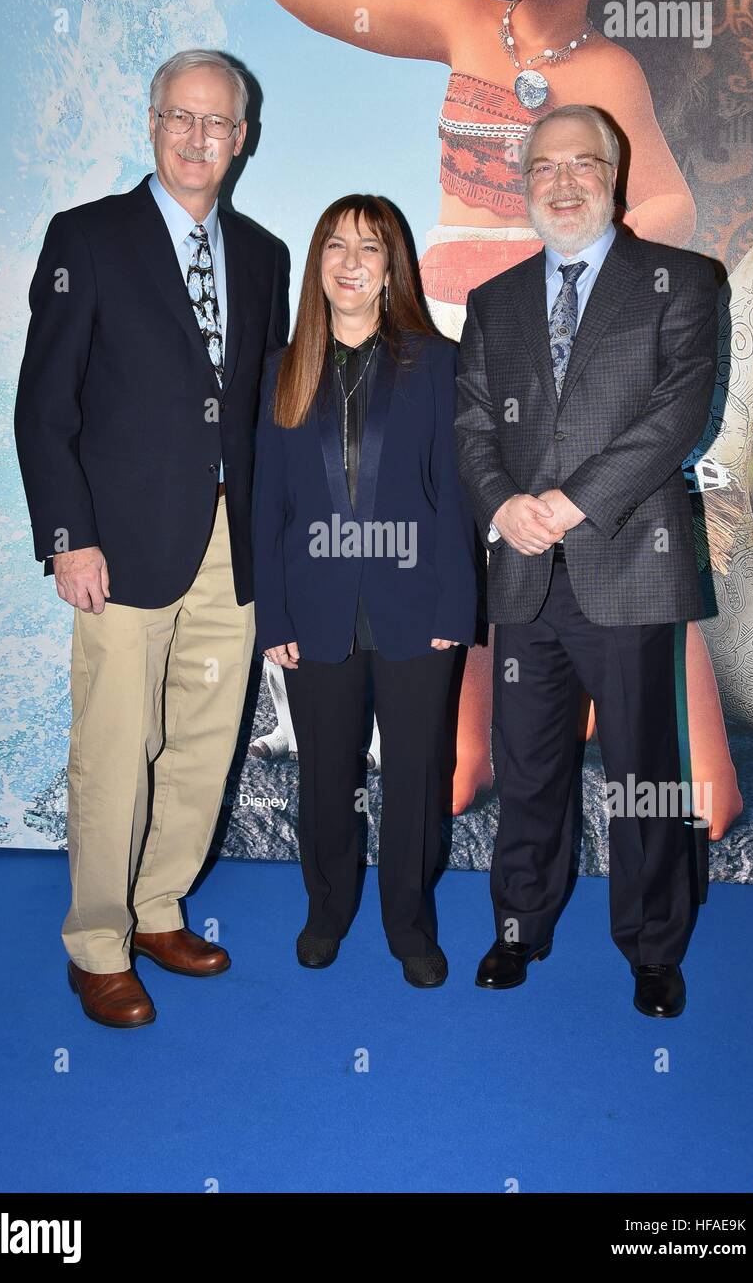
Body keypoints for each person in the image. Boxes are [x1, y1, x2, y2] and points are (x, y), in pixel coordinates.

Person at [206, 0, 742, 834]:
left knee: (610, 532)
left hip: (542, 333)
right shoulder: (462, 22)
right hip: (442, 325)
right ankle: (468, 744)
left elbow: (672, 210)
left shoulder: (612, 68)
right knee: (451, 533)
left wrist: (558, 251)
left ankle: (699, 764)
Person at [14, 49, 290, 1028]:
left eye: (218, 123)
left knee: (204, 744)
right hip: (118, 546)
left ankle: (156, 908)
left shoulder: (262, 254)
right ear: (152, 121)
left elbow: (259, 410)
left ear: (241, 138)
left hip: (230, 544)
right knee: (111, 746)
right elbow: (43, 408)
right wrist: (67, 537)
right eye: (181, 117)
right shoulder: (85, 238)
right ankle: (96, 942)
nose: (198, 137)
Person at [455, 104, 718, 1017]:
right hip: (527, 579)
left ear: (614, 172)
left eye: (583, 165)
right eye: (542, 167)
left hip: (630, 565)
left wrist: (572, 502)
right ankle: (519, 927)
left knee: (645, 769)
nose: (562, 183)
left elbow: (676, 418)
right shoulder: (492, 303)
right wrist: (502, 505)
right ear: (523, 181)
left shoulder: (683, 282)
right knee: (527, 765)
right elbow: (473, 426)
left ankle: (653, 948)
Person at [252, 195, 477, 988]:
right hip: (314, 612)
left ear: (392, 271)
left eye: (370, 249)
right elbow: (266, 504)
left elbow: (455, 495)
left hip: (415, 607)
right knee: (326, 776)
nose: (351, 262)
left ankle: (409, 924)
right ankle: (327, 908)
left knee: (416, 773)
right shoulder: (283, 369)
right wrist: (271, 612)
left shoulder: (434, 362)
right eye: (336, 247)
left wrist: (456, 606)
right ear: (318, 265)